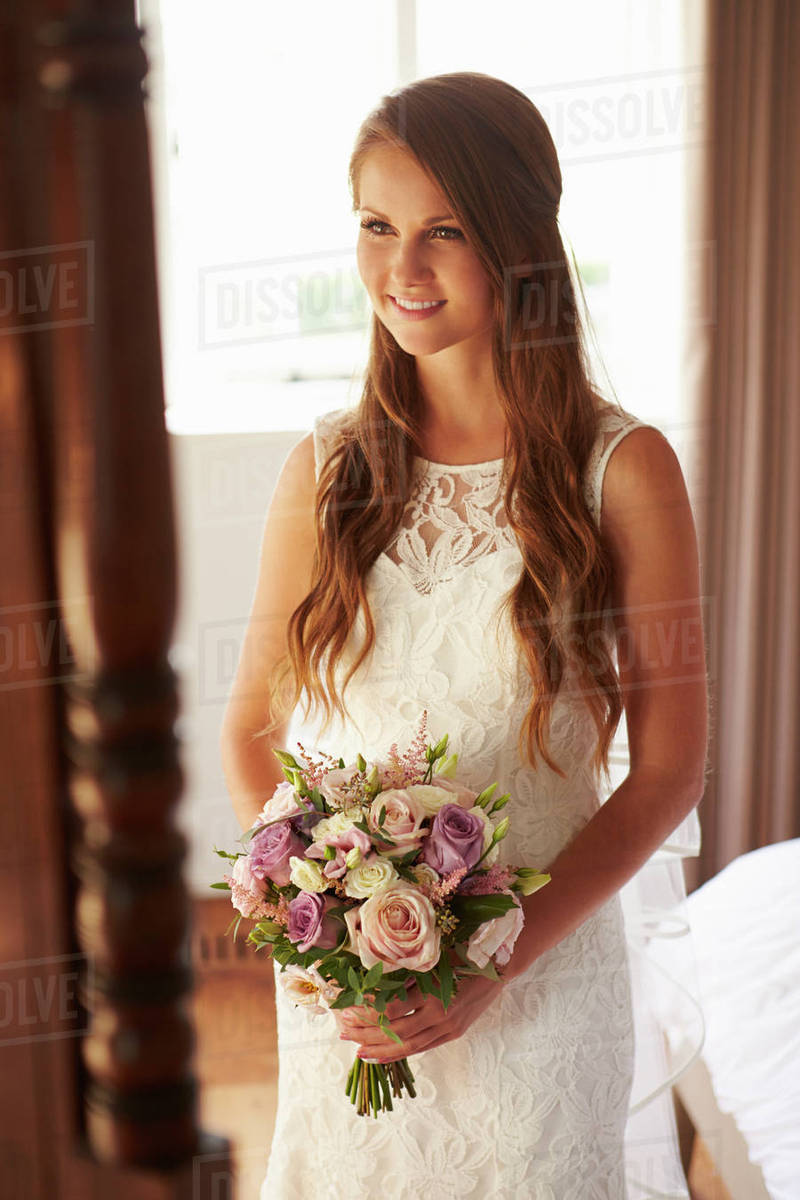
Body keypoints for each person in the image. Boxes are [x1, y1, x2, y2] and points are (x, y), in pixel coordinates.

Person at [220, 71, 708, 1199]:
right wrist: (325, 925)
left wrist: (492, 958)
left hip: (539, 990)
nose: (401, 271)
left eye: (443, 231)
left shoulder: (621, 472)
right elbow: (252, 725)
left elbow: (669, 771)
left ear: (517, 239)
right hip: (350, 1006)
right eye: (377, 227)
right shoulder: (327, 468)